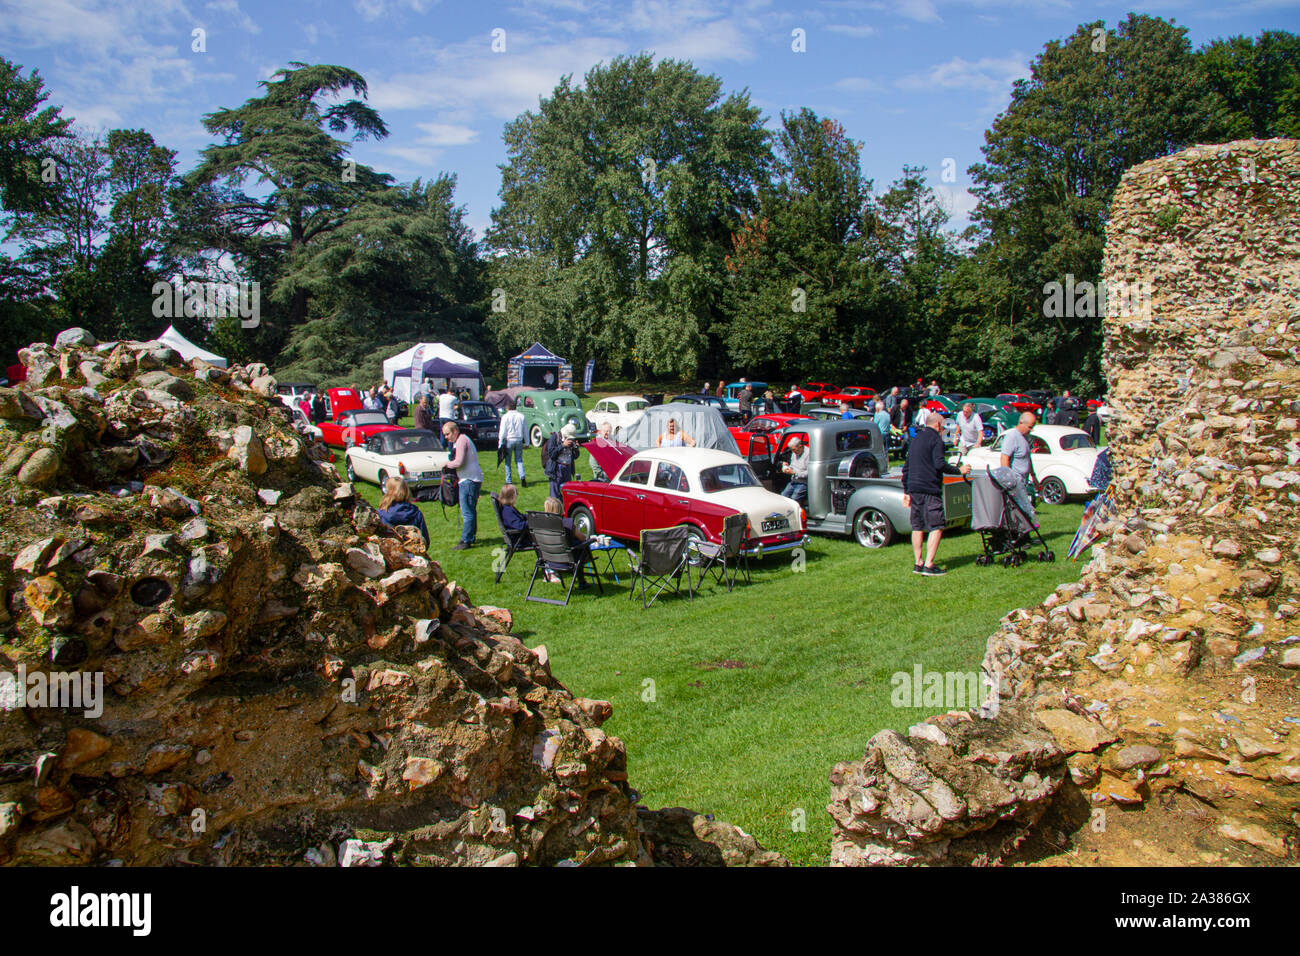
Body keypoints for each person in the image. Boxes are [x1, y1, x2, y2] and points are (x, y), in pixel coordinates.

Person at [902, 411, 971, 576]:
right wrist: (958, 470)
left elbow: (906, 468)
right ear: (938, 425)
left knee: (917, 526)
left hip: (914, 488)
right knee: (937, 525)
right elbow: (939, 464)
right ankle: (929, 564)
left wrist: (907, 491)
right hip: (929, 488)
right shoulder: (936, 440)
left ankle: (918, 562)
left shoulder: (916, 439)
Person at [443, 421, 484, 550]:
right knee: (470, 510)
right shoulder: (461, 440)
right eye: (444, 434)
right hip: (470, 478)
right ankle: (470, 536)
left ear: (455, 431)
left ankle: (465, 540)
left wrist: (446, 465)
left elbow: (459, 462)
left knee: (467, 512)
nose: (446, 437)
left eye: (447, 434)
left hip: (469, 480)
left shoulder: (461, 441)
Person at [998, 412, 1039, 528]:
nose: (1031, 430)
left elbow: (1027, 459)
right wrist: (1008, 479)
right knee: (1020, 510)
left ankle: (1026, 535)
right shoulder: (1012, 437)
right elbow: (1004, 458)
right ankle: (1021, 536)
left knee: (1025, 509)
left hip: (1024, 480)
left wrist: (1033, 476)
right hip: (1015, 481)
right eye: (1030, 427)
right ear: (1021, 423)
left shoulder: (1024, 438)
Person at [542, 496, 590, 585]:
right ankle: (582, 581)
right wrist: (593, 540)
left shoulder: (542, 525)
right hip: (569, 559)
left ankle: (548, 573)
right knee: (583, 547)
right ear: (560, 509)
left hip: (549, 559)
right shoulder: (567, 524)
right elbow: (583, 538)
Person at [377, 476, 429, 547]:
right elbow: (425, 540)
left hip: (390, 554)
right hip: (413, 554)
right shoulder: (416, 513)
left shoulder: (380, 514)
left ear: (387, 491)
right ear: (406, 490)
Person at [546, 423, 582, 499]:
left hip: (568, 468)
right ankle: (554, 510)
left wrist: (576, 449)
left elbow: (575, 456)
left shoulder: (571, 440)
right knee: (554, 494)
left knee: (567, 493)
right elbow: (551, 454)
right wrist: (562, 445)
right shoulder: (555, 437)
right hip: (556, 468)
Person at [498, 399, 527, 487]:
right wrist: (527, 442)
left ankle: (509, 480)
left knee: (508, 461)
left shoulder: (505, 417)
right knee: (519, 460)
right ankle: (522, 476)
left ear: (508, 408)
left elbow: (502, 431)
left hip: (509, 440)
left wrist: (500, 442)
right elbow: (525, 430)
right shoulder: (522, 416)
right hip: (519, 439)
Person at [780, 436, 809, 503]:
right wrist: (787, 467)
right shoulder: (794, 453)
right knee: (783, 496)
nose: (794, 452)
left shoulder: (808, 454)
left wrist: (794, 473)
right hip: (794, 480)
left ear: (801, 446)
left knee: (794, 499)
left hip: (803, 482)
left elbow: (808, 473)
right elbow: (793, 465)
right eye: (792, 450)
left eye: (795, 450)